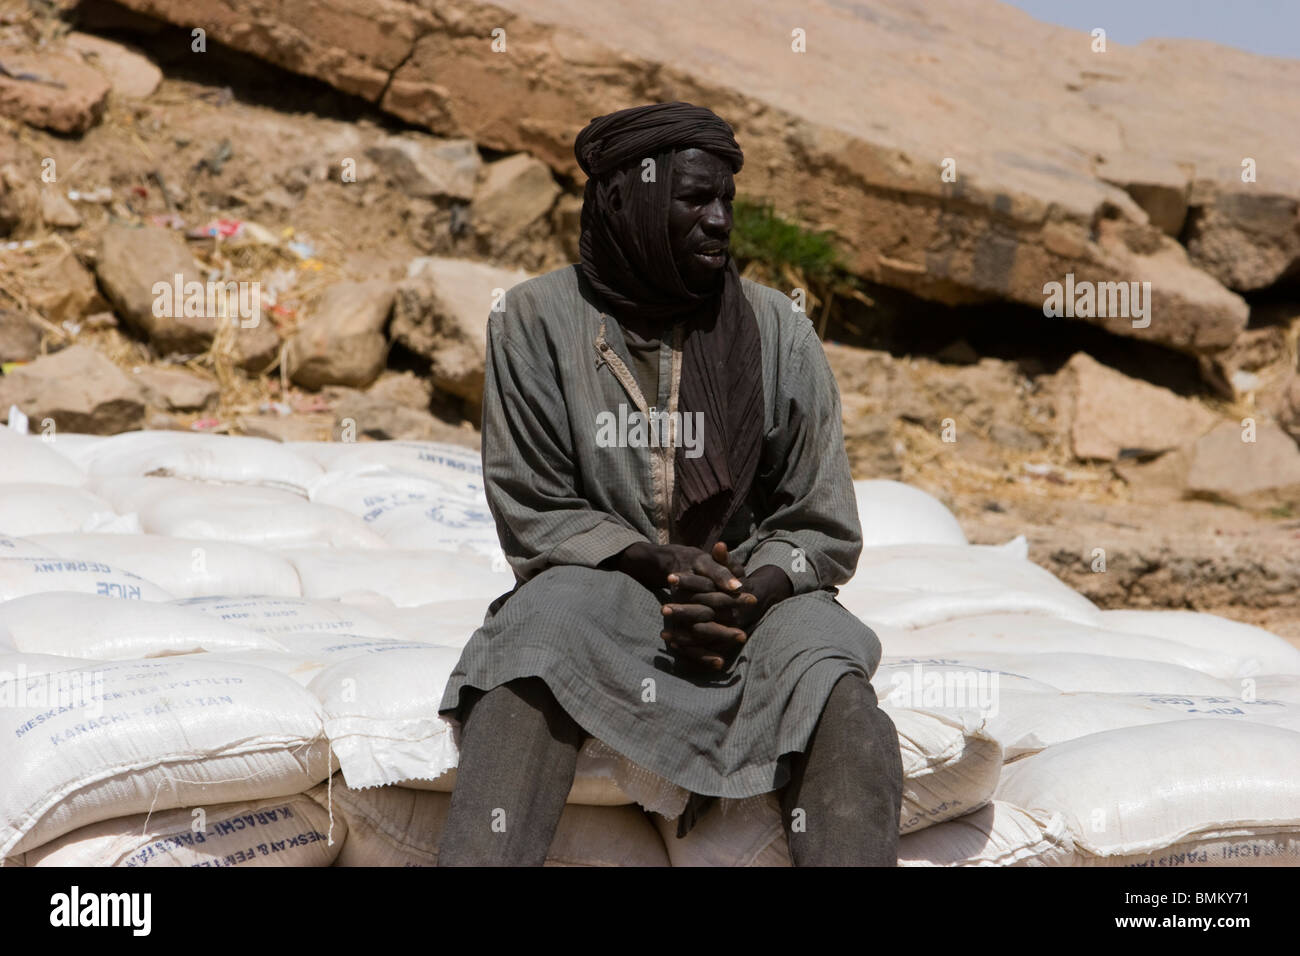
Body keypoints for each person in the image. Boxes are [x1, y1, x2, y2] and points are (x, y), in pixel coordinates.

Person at [436, 101, 903, 867]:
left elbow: (821, 522)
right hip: (604, 582)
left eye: (728, 200)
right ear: (628, 201)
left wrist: (746, 592)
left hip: (754, 596)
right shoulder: (535, 320)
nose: (719, 220)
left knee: (834, 683)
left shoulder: (778, 329)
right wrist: (656, 564)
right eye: (695, 199)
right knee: (529, 648)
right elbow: (535, 504)